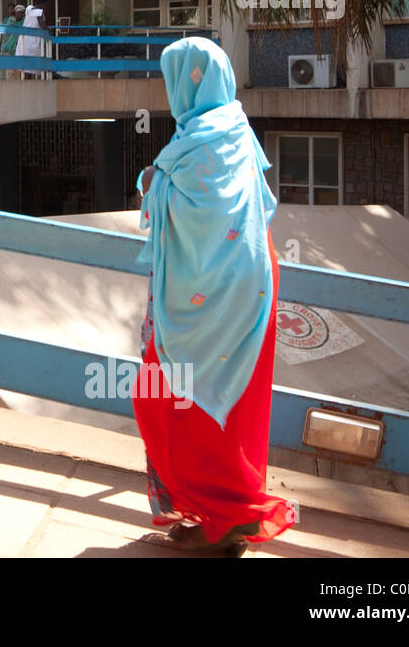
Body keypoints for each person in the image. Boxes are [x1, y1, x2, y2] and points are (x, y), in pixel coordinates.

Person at [133, 37, 293, 554]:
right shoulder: (238, 129)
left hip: (203, 293)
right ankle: (222, 512)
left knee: (164, 396)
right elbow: (255, 204)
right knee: (234, 401)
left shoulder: (193, 141)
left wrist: (152, 182)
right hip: (251, 283)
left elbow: (187, 211)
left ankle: (222, 516)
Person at [15, 0, 50, 78]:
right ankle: (28, 85)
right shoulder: (39, 12)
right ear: (41, 4)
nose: (46, 7)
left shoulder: (28, 9)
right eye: (45, 5)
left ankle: (25, 85)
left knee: (25, 66)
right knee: (31, 66)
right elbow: (42, 25)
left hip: (24, 40)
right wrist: (49, 30)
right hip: (33, 41)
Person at [0, 5, 25, 78]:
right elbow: (5, 32)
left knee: (17, 72)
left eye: (21, 13)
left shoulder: (23, 23)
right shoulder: (10, 20)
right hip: (7, 48)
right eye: (18, 13)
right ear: (15, 13)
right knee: (9, 71)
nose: (19, 14)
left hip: (17, 50)